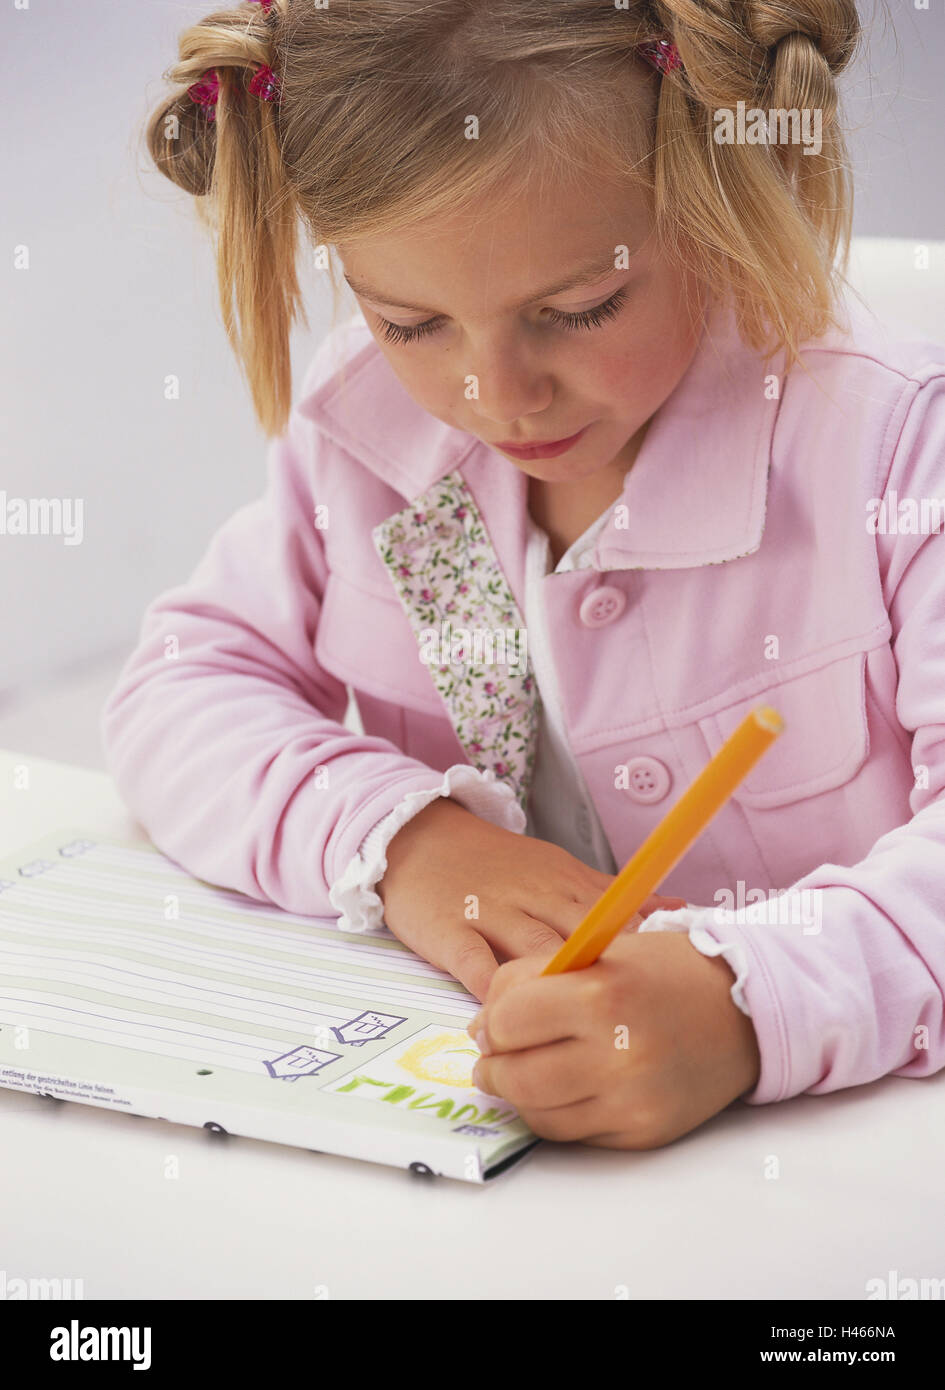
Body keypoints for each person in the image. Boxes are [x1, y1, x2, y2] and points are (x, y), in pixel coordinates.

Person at [103, 0, 945, 1149]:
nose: (496, 396)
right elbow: (179, 684)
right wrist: (409, 840)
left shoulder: (898, 450)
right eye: (410, 322)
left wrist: (751, 1006)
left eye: (578, 308)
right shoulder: (369, 440)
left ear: (722, 198)